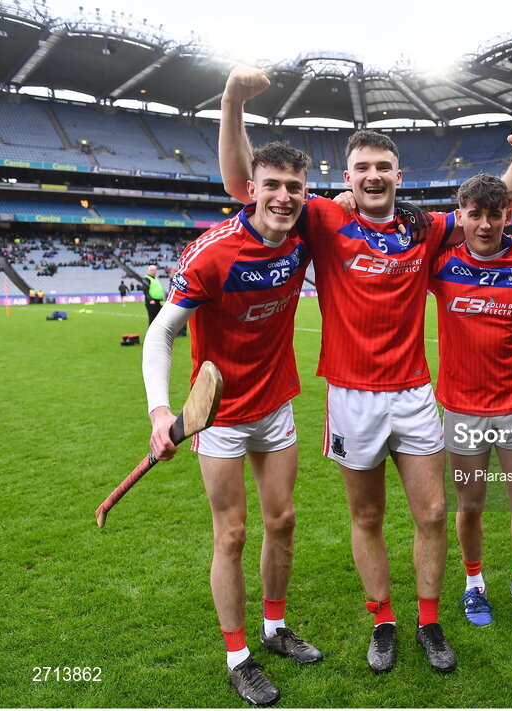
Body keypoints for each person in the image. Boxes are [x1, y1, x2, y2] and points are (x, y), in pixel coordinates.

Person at [218, 64, 512, 675]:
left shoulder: (424, 228)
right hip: (352, 397)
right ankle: (383, 620)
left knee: (434, 513)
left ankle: (428, 621)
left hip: (414, 394)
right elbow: (242, 183)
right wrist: (232, 100)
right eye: (362, 167)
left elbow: (492, 210)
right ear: (347, 178)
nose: (373, 176)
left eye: (383, 167)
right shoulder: (322, 218)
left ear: (399, 175)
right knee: (366, 516)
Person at [143, 141, 321, 707]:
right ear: (251, 189)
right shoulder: (212, 253)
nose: (283, 197)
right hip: (216, 414)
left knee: (283, 520)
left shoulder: (304, 236)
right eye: (272, 185)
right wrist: (160, 411)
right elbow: (161, 332)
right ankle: (238, 656)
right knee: (232, 534)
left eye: (294, 187)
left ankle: (274, 628)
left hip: (275, 404)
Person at [429, 173, 512, 630]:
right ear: (460, 216)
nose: (485, 225)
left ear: (509, 214)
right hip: (462, 409)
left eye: (494, 214)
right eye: (475, 214)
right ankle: (474, 583)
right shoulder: (440, 262)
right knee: (470, 505)